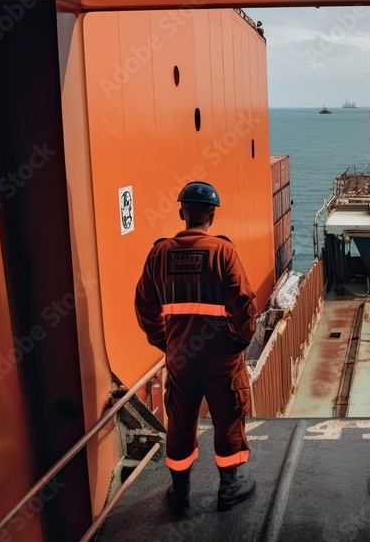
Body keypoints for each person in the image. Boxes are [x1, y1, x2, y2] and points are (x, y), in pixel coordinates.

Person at [134, 181, 258, 513]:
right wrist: (238, 343)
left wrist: (167, 343)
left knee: (181, 421)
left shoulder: (159, 254)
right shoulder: (223, 253)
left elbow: (145, 307)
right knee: (229, 417)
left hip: (181, 358)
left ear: (181, 213)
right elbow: (244, 305)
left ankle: (180, 495)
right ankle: (229, 489)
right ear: (212, 216)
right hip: (222, 357)